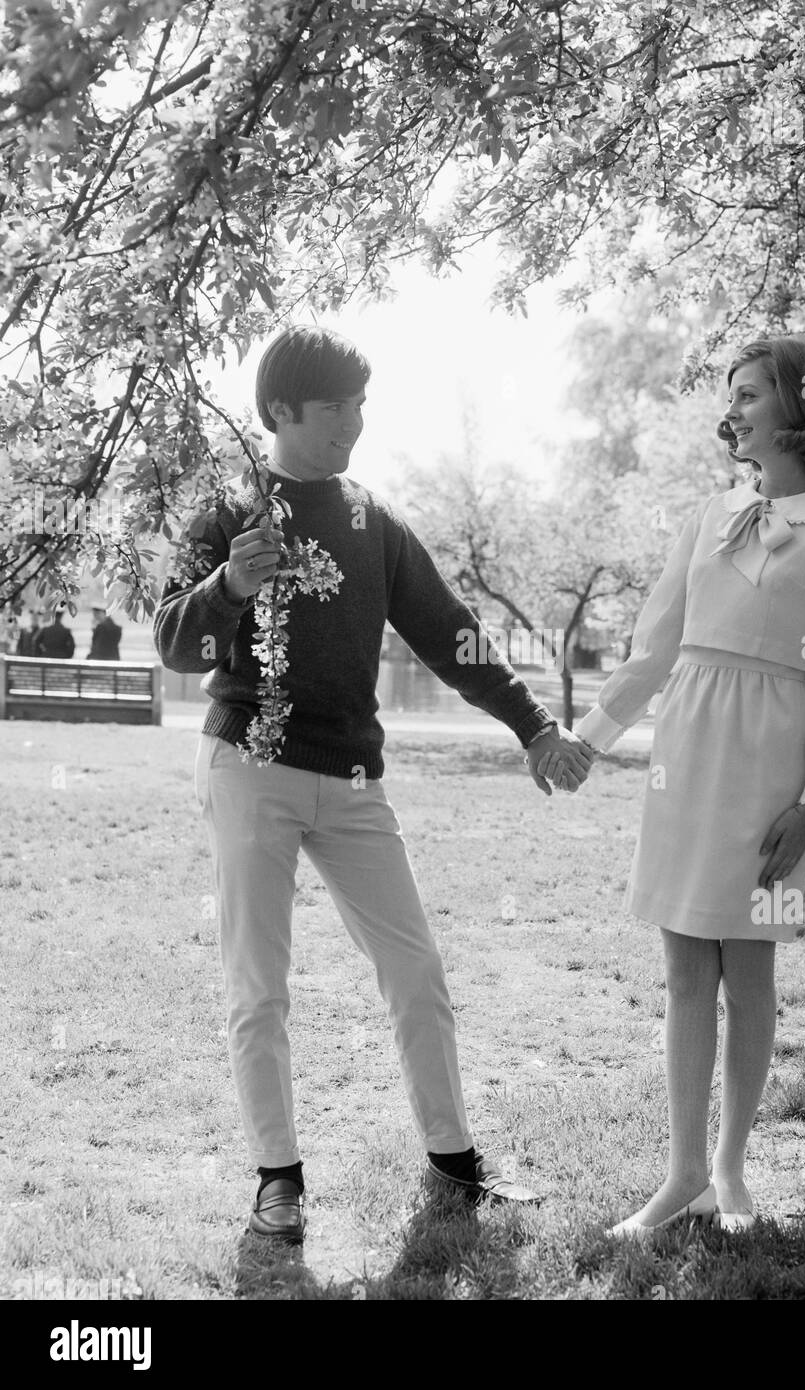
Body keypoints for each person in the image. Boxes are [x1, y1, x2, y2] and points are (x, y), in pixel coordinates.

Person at [153, 324, 593, 1244]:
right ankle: (279, 1179)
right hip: (250, 770)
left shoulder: (371, 519)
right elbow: (176, 647)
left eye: (361, 405)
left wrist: (534, 725)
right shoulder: (227, 511)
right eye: (335, 407)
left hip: (353, 781)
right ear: (280, 412)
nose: (354, 422)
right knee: (258, 985)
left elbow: (449, 631)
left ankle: (455, 1164)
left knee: (416, 970)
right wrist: (228, 586)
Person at [542, 336, 805, 1235]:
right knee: (686, 967)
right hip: (686, 750)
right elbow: (655, 648)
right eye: (729, 396)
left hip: (771, 762)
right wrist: (587, 740)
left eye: (747, 395)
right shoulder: (706, 514)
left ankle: (731, 1172)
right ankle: (683, 1173)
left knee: (752, 966)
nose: (730, 410)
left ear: (795, 407)